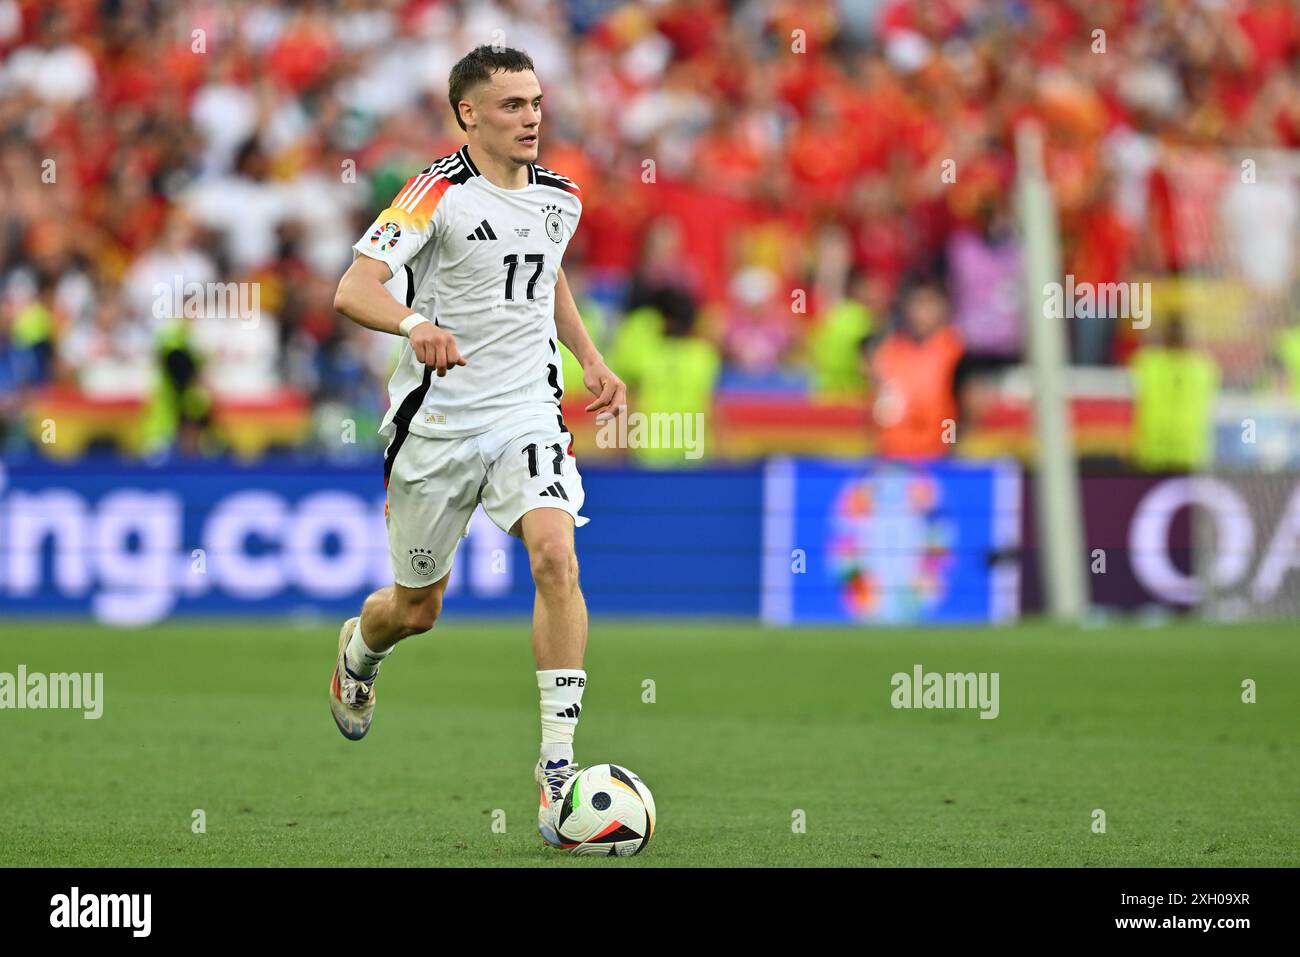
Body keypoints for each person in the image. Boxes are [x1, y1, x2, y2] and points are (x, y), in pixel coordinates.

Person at [330, 46, 627, 848]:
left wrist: (590, 359)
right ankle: (360, 651)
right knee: (415, 610)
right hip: (437, 426)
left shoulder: (561, 197)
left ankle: (556, 769)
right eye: (510, 106)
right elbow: (353, 287)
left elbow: (547, 274)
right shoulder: (436, 194)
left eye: (535, 102)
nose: (531, 116)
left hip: (527, 408)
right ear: (469, 114)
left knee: (555, 556)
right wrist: (414, 323)